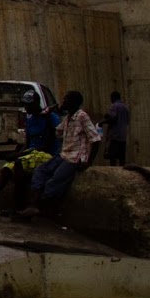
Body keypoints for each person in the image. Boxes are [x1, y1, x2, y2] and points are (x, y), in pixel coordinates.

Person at [19, 91, 103, 219]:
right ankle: (33, 205)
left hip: (75, 158)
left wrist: (88, 162)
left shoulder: (82, 116)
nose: (62, 102)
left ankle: (43, 208)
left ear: (73, 103)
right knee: (40, 171)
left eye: (65, 100)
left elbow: (95, 139)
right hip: (63, 155)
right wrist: (49, 115)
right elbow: (57, 133)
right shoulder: (68, 118)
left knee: (55, 181)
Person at [0, 92, 58, 213]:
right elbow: (28, 142)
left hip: (46, 154)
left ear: (36, 103)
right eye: (25, 105)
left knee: (19, 164)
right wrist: (19, 152)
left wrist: (20, 155)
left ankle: (17, 206)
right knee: (6, 170)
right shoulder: (30, 119)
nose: (26, 108)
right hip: (31, 153)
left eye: (29, 105)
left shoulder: (50, 118)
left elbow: (47, 145)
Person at [101, 91, 130, 164]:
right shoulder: (125, 107)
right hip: (123, 136)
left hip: (114, 136)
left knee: (112, 156)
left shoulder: (114, 106)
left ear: (113, 98)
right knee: (121, 158)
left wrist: (103, 122)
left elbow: (113, 119)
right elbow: (127, 121)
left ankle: (113, 172)